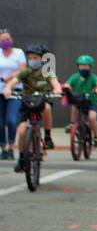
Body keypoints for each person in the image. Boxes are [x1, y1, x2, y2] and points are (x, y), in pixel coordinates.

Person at [5, 42, 60, 173]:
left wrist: (57, 89)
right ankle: (22, 159)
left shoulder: (47, 72)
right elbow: (14, 81)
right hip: (27, 102)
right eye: (30, 58)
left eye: (36, 58)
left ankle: (47, 137)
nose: (32, 60)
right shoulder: (25, 72)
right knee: (22, 131)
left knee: (47, 108)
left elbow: (55, 83)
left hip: (41, 100)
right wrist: (8, 88)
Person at [63, 54, 97, 148]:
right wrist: (66, 89)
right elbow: (67, 85)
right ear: (78, 66)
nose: (83, 68)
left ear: (90, 67)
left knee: (92, 117)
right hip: (79, 100)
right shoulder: (75, 77)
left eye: (85, 66)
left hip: (92, 102)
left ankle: (96, 137)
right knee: (74, 106)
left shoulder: (93, 77)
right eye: (81, 65)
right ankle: (72, 124)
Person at [0, 30, 25, 160]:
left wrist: (8, 78)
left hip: (15, 90)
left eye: (7, 39)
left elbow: (22, 70)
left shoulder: (18, 53)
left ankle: (11, 147)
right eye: (2, 40)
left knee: (11, 120)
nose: (5, 42)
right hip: (0, 92)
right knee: (0, 122)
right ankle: (3, 148)